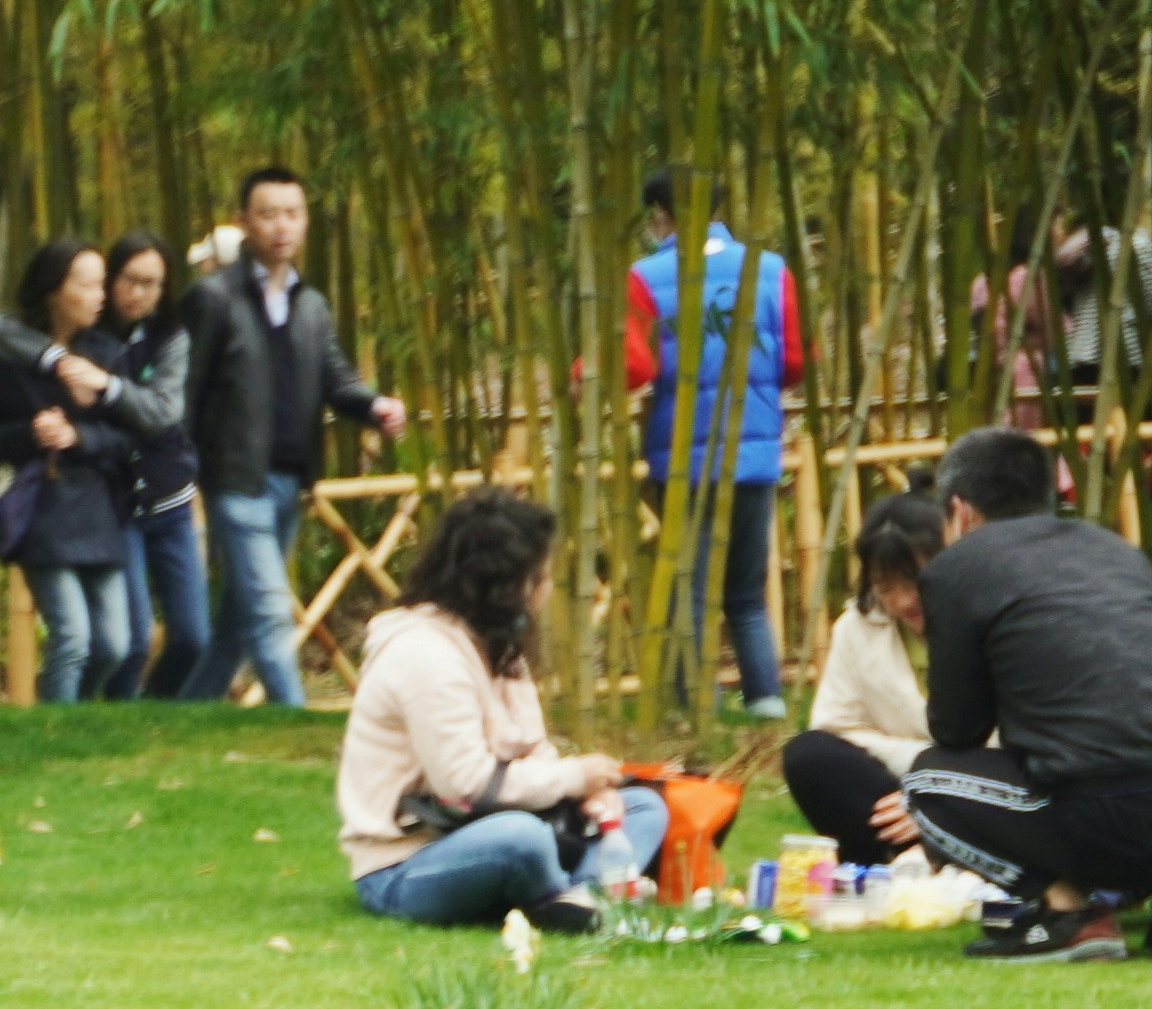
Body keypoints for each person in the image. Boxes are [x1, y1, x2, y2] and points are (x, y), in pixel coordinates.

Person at [880, 426, 1152, 963]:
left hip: (1103, 812)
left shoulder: (959, 568)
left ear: (960, 511)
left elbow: (957, 729)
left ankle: (1070, 914)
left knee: (929, 780)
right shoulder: (1118, 553)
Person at [333, 491, 663, 928]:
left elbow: (531, 746)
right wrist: (571, 777)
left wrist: (587, 793)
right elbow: (465, 784)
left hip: (493, 826)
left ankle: (574, 897)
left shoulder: (494, 639)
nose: (546, 589)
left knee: (642, 806)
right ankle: (574, 894)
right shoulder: (425, 653)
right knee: (520, 839)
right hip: (408, 863)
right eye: (541, 577)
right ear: (509, 585)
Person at [183, 167, 408, 704]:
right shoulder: (212, 299)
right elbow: (184, 393)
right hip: (236, 479)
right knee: (268, 610)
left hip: (291, 480)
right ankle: (296, 718)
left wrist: (374, 405)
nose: (281, 226)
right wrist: (184, 475)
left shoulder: (311, 304)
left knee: (238, 623)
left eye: (292, 213)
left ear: (305, 221)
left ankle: (180, 714)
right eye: (267, 214)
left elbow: (334, 375)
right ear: (243, 223)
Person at [625, 171, 804, 712]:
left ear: (660, 215)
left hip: (681, 458)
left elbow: (634, 364)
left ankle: (697, 707)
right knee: (746, 593)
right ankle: (766, 701)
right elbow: (794, 363)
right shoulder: (770, 269)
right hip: (754, 454)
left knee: (691, 590)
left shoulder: (645, 275)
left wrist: (582, 372)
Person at [0, 242, 140, 705]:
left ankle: (70, 718)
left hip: (98, 509)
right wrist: (30, 434)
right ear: (52, 291)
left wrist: (78, 437)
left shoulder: (107, 354)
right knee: (72, 637)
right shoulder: (9, 355)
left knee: (115, 644)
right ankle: (53, 727)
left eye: (101, 284)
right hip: (41, 509)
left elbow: (130, 438)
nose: (99, 295)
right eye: (86, 284)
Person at [776, 493, 944, 856]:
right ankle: (887, 865)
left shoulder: (988, 620)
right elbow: (837, 728)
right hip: (899, 783)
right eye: (886, 588)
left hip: (984, 796)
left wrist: (942, 792)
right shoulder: (856, 627)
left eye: (913, 583)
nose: (903, 602)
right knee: (810, 756)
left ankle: (952, 851)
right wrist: (919, 771)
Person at [94, 238, 215, 703]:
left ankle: (156, 714)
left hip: (171, 500)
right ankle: (120, 721)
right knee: (134, 640)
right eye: (131, 281)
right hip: (115, 504)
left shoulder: (170, 337)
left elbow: (163, 411)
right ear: (111, 278)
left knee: (192, 637)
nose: (140, 294)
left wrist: (107, 389)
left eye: (152, 285)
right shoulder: (87, 338)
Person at [978, 214, 1119, 430]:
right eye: (1057, 228)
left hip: (1015, 366)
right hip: (1029, 369)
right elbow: (1055, 325)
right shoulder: (1026, 277)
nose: (1062, 235)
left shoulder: (1000, 278)